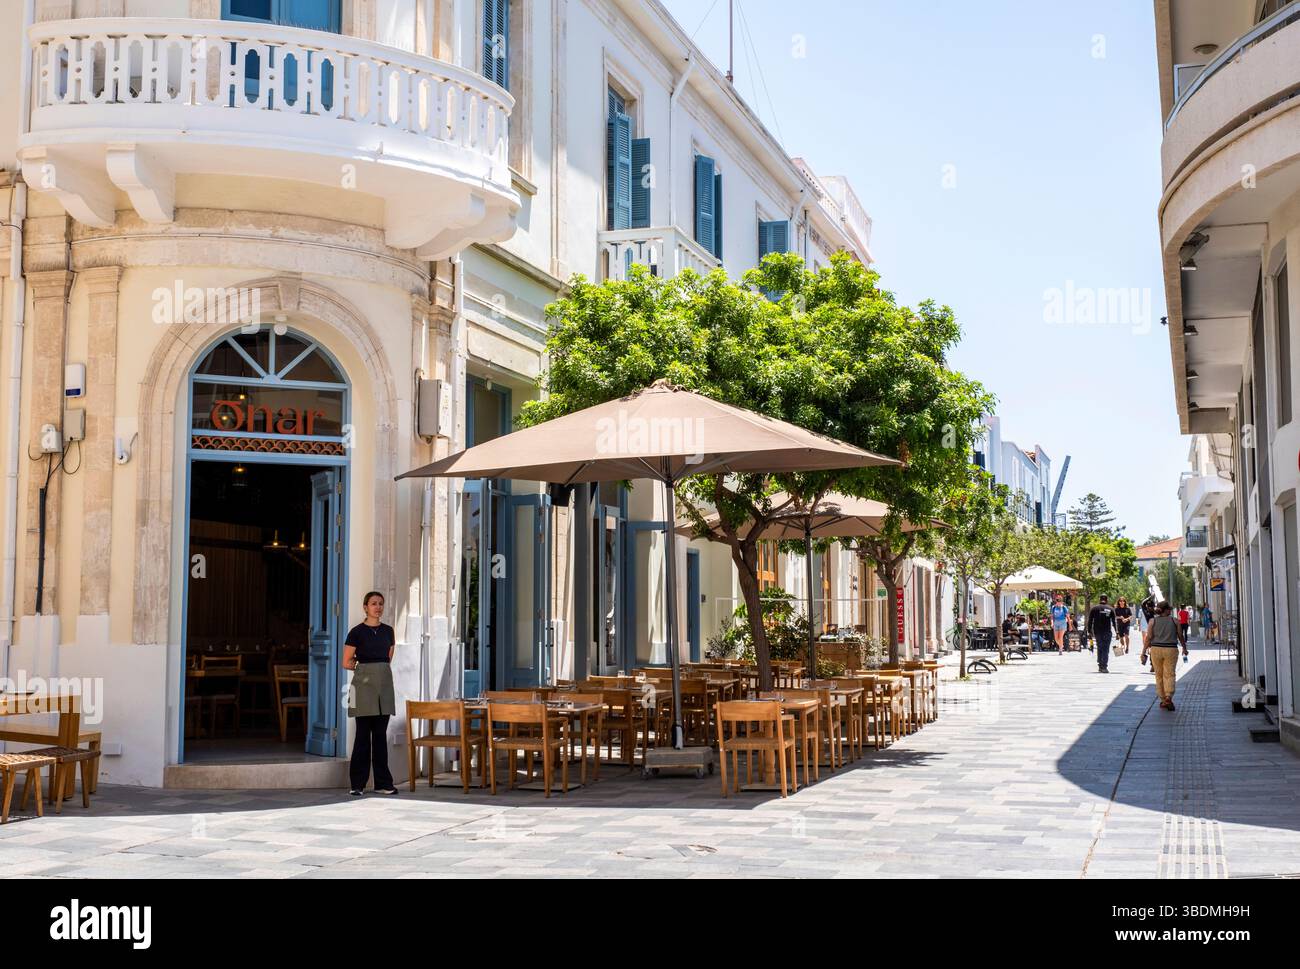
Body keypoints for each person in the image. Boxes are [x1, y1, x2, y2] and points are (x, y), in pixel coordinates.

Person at [344, 590, 398, 796]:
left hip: (384, 685)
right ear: (365, 607)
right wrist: (365, 668)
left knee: (379, 736)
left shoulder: (388, 631)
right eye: (374, 603)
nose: (378, 607)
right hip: (363, 686)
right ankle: (357, 784)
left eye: (381, 603)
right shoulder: (356, 632)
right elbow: (346, 661)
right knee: (362, 736)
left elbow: (388, 657)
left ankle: (383, 783)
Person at [1143, 601, 1189, 710]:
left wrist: (1143, 652)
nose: (1170, 610)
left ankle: (1163, 699)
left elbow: (1148, 638)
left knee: (1159, 675)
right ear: (1166, 610)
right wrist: (1184, 648)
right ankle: (1168, 696)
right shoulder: (1175, 621)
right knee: (1170, 674)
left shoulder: (1152, 621)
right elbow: (1180, 636)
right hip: (1171, 649)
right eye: (1169, 609)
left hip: (1156, 649)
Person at [1087, 594, 1118, 672]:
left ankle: (1101, 665)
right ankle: (1104, 666)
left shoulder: (1094, 609)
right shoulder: (1111, 609)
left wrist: (1089, 631)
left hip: (1097, 632)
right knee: (1105, 648)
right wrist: (1117, 632)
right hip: (1107, 631)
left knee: (1099, 647)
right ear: (1107, 600)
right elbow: (1114, 622)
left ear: (1099, 599)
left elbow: (1090, 621)